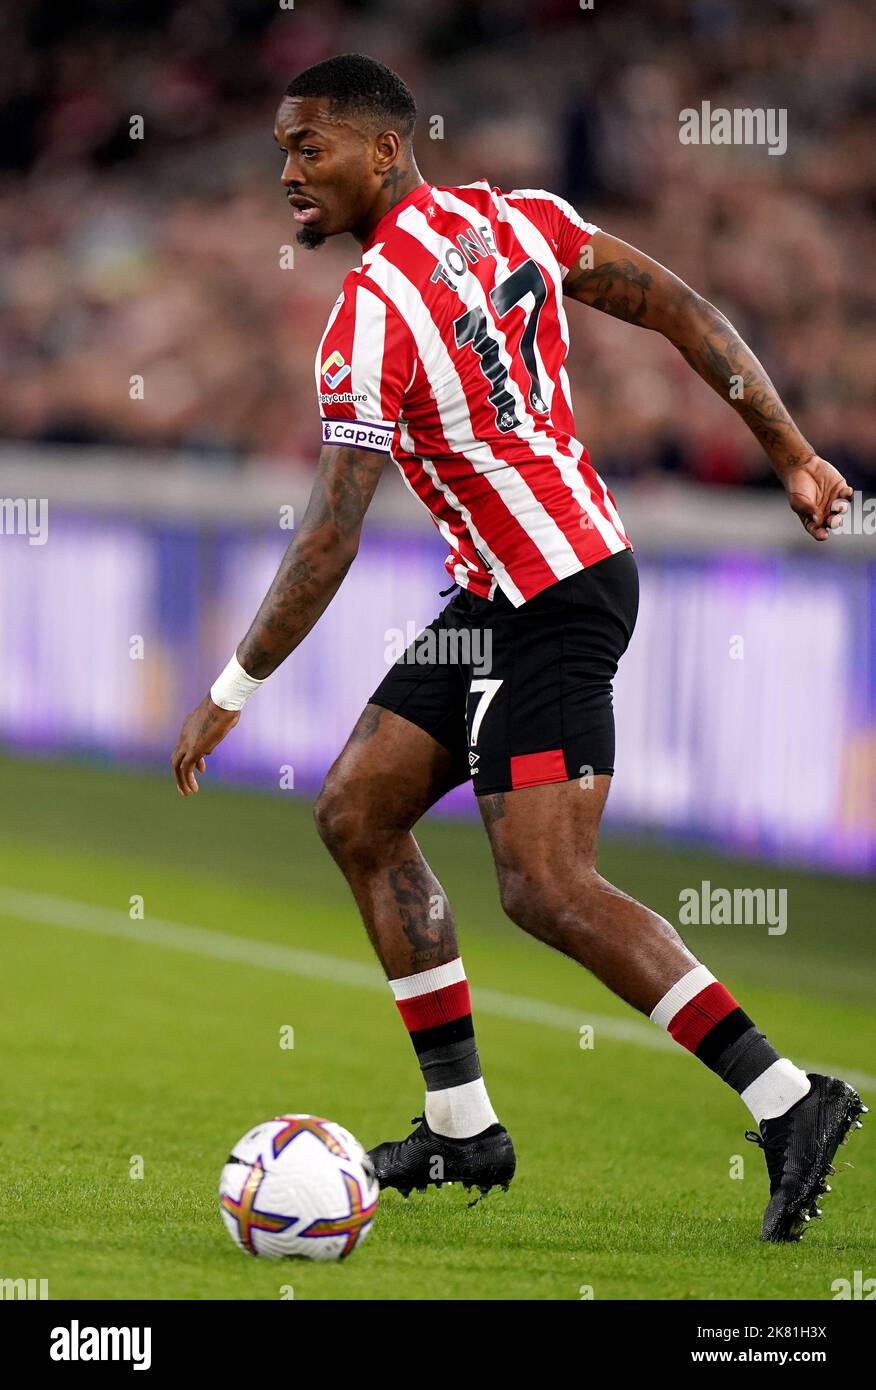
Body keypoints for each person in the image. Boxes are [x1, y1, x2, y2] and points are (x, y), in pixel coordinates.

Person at [171, 54, 865, 1241]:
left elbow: (330, 534)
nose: (288, 173)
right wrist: (789, 449)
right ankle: (462, 1130)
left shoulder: (371, 314)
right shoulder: (516, 218)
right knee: (356, 809)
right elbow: (685, 310)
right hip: (505, 588)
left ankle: (792, 1096)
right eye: (282, 149)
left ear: (385, 150)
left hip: (559, 596)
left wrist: (233, 687)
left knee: (546, 885)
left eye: (311, 147)